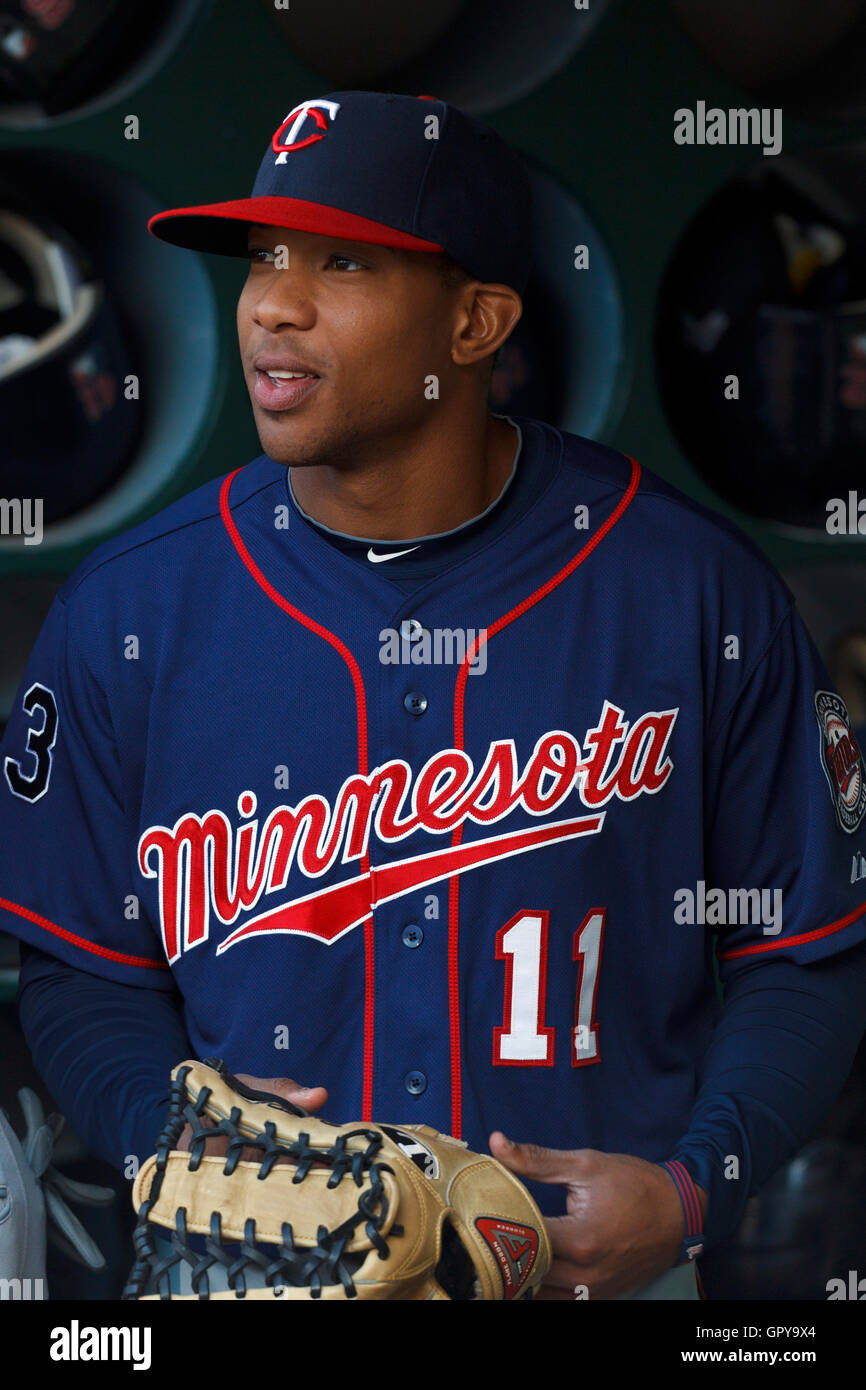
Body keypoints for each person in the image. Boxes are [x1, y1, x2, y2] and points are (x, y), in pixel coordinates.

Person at [2, 90, 866, 1302]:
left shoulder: (694, 593)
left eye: (341, 262)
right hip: (246, 1274)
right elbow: (82, 965)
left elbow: (807, 951)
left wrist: (687, 1194)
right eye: (263, 260)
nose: (273, 306)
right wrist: (165, 1132)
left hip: (593, 1282)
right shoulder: (129, 612)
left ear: (476, 322)